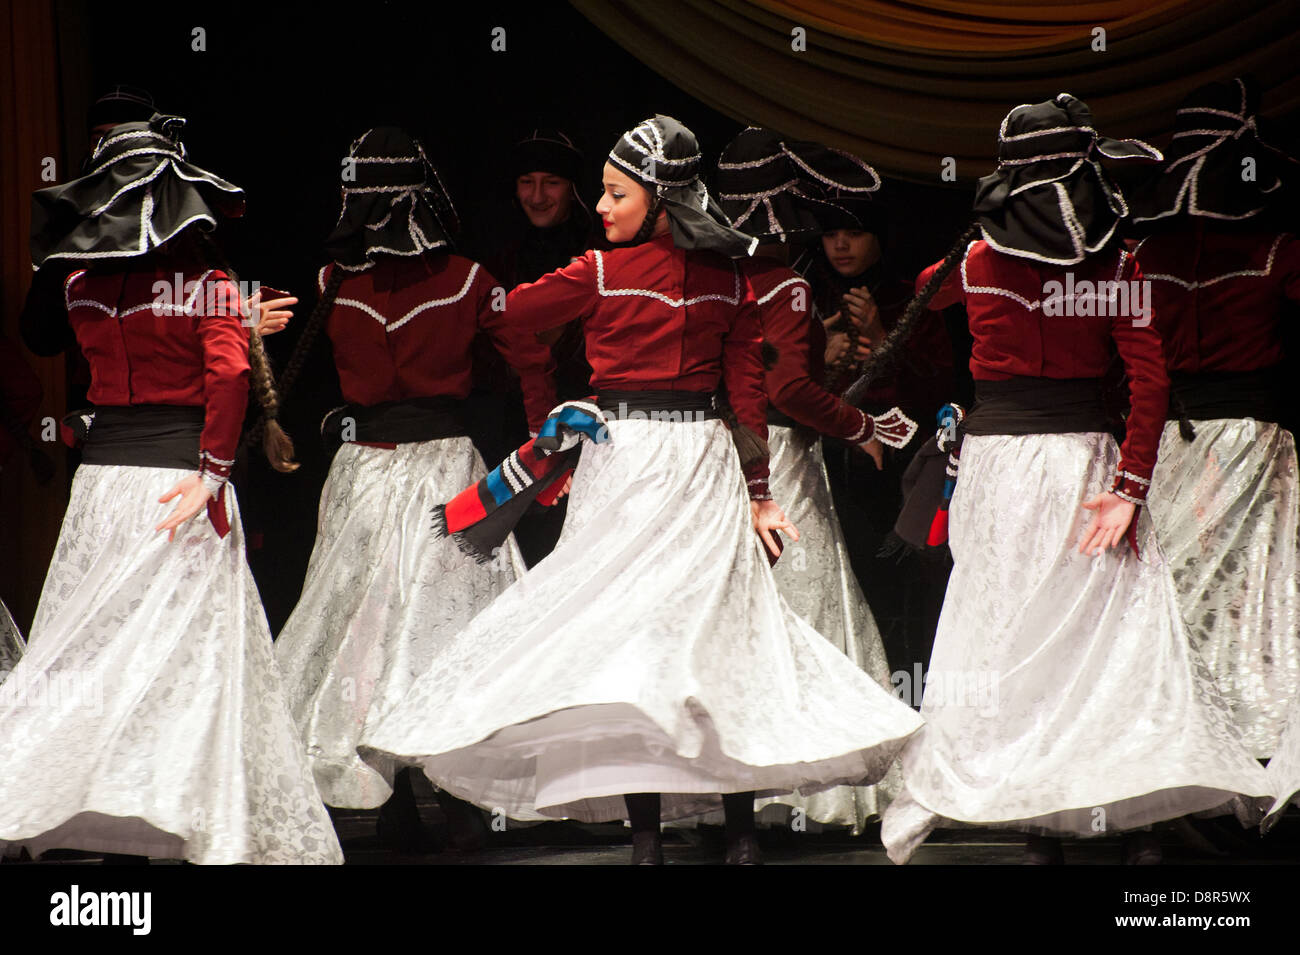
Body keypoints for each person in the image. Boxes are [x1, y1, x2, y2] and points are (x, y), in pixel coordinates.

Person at [359, 115, 923, 866]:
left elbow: (513, 315)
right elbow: (747, 397)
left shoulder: (597, 272)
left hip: (625, 460)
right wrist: (757, 492)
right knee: (719, 641)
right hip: (703, 462)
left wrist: (549, 395)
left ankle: (648, 842)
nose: (598, 204)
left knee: (634, 645)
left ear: (660, 200)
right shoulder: (730, 278)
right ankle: (743, 833)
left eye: (615, 192)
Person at [879, 94, 1273, 866]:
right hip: (1085, 467)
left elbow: (926, 290)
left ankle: (1040, 828)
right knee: (1107, 638)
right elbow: (1149, 382)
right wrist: (1129, 486)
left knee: (1012, 638)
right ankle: (1127, 826)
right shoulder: (1111, 267)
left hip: (1004, 468)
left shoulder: (973, 263)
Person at [0, 114, 341, 864]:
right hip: (180, 483)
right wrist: (215, 472)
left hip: (103, 488)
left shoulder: (80, 284)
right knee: (186, 662)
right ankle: (170, 817)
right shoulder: (214, 282)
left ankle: (101, 807)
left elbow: (153, 345)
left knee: (90, 653)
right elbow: (223, 372)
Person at [272, 128, 554, 851]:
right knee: (389, 630)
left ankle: (433, 789)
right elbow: (522, 357)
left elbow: (523, 356)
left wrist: (541, 438)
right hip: (392, 466)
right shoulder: (408, 280)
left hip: (413, 468)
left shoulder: (448, 281)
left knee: (416, 629)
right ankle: (410, 791)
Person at [712, 126, 915, 831]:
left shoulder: (709, 276)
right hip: (778, 463)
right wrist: (861, 428)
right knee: (800, 610)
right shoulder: (787, 284)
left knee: (736, 621)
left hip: (716, 461)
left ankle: (731, 790)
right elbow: (790, 392)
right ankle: (800, 790)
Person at [1129, 77, 1300, 760]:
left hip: (1175, 440)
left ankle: (1195, 741)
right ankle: (1233, 739)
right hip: (1236, 441)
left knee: (1183, 589)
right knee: (1250, 593)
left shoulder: (1144, 257)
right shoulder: (1276, 248)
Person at [798, 183, 956, 673]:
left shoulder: (915, 297)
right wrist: (819, 353)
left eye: (855, 233)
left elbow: (945, 388)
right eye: (831, 235)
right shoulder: (802, 295)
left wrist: (884, 340)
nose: (841, 245)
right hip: (820, 463)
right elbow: (778, 386)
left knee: (898, 582)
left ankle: (906, 684)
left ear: (879, 238)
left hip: (899, 467)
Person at [470, 129, 598, 565]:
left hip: (587, 422)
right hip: (509, 424)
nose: (538, 195)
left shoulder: (598, 252)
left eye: (552, 182)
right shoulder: (495, 254)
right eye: (528, 182)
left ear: (573, 187)